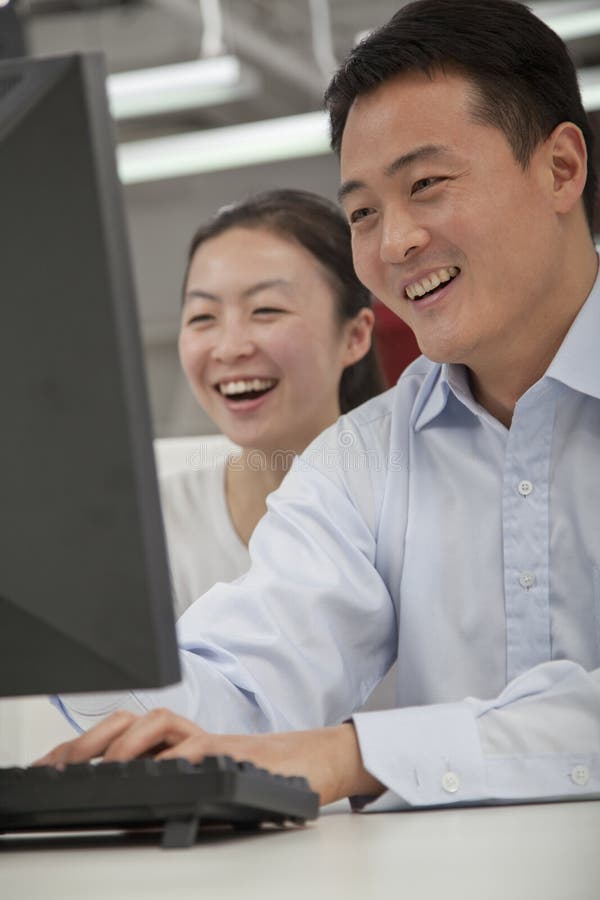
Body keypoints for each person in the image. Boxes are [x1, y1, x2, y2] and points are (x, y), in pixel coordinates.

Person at [43, 0, 600, 811]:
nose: (394, 241)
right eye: (363, 212)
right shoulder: (361, 461)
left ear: (560, 169)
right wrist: (69, 615)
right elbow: (249, 679)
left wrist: (355, 753)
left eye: (427, 185)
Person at [158, 189, 384, 617]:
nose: (229, 348)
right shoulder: (158, 522)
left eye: (265, 310)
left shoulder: (415, 505)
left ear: (354, 336)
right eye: (203, 317)